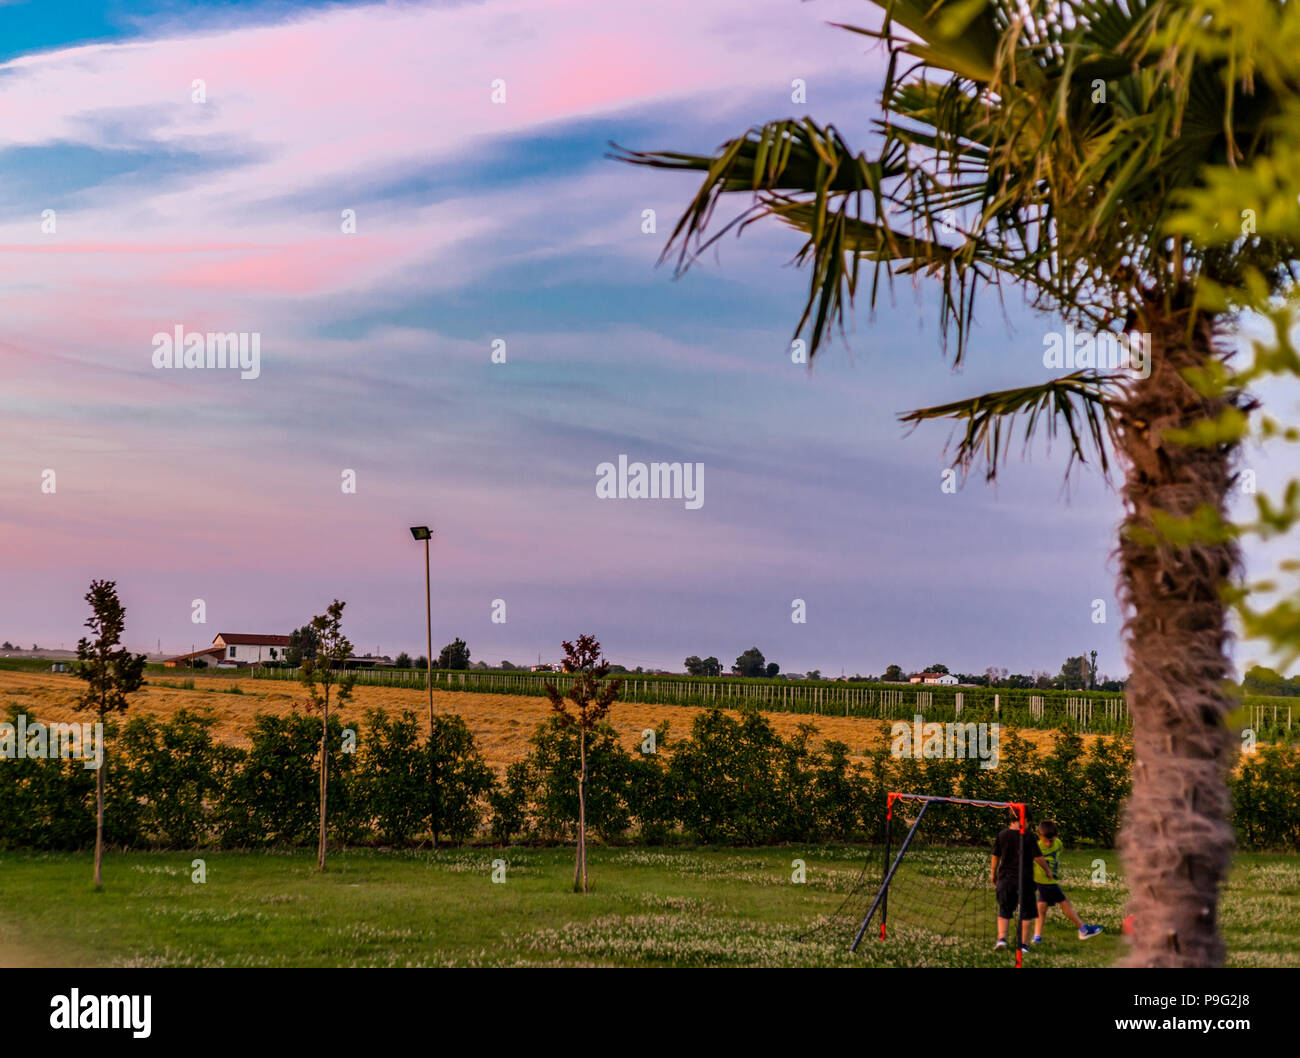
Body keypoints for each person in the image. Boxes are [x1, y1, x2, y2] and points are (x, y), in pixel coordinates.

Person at [1032, 820, 1104, 942]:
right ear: (1040, 836)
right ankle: (1083, 930)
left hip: (1050, 881)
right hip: (1046, 882)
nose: (1049, 844)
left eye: (1051, 841)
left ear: (1056, 836)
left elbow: (1058, 853)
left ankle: (1037, 937)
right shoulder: (1036, 847)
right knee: (1065, 904)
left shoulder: (1058, 844)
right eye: (1046, 841)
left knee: (1042, 908)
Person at [991, 806, 1050, 952]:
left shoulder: (1002, 834)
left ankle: (1002, 940)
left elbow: (995, 855)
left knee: (1004, 910)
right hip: (1025, 881)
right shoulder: (1028, 836)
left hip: (1005, 880)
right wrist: (1047, 870)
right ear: (1024, 819)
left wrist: (993, 872)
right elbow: (1038, 857)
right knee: (1026, 913)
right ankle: (1023, 945)